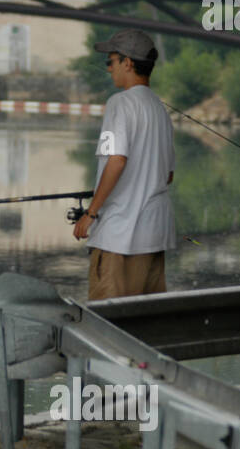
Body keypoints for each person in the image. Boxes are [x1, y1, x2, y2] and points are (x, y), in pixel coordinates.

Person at [72, 29, 176, 299]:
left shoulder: (120, 104)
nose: (109, 69)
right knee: (145, 322)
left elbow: (116, 160)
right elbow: (168, 176)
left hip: (118, 236)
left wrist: (91, 213)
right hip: (154, 236)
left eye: (111, 61)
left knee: (107, 325)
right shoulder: (160, 110)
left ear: (128, 62)